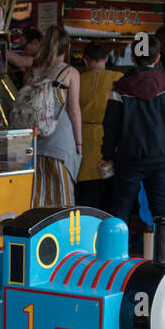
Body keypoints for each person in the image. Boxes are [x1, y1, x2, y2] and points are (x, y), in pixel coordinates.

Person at [99, 38, 165, 227]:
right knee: (161, 207)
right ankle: (164, 254)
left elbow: (111, 125)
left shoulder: (120, 87)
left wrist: (107, 154)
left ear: (133, 57)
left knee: (121, 206)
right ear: (157, 58)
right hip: (162, 155)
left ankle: (117, 254)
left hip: (130, 156)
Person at [26, 26, 82, 208]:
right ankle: (62, 235)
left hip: (34, 144)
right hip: (60, 144)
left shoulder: (34, 70)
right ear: (66, 49)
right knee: (62, 199)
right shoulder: (69, 72)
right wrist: (79, 144)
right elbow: (74, 110)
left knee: (38, 196)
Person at [74, 43, 122, 209]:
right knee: (113, 197)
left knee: (88, 197)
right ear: (107, 58)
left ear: (86, 61)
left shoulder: (77, 79)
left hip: (83, 138)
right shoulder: (119, 78)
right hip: (110, 139)